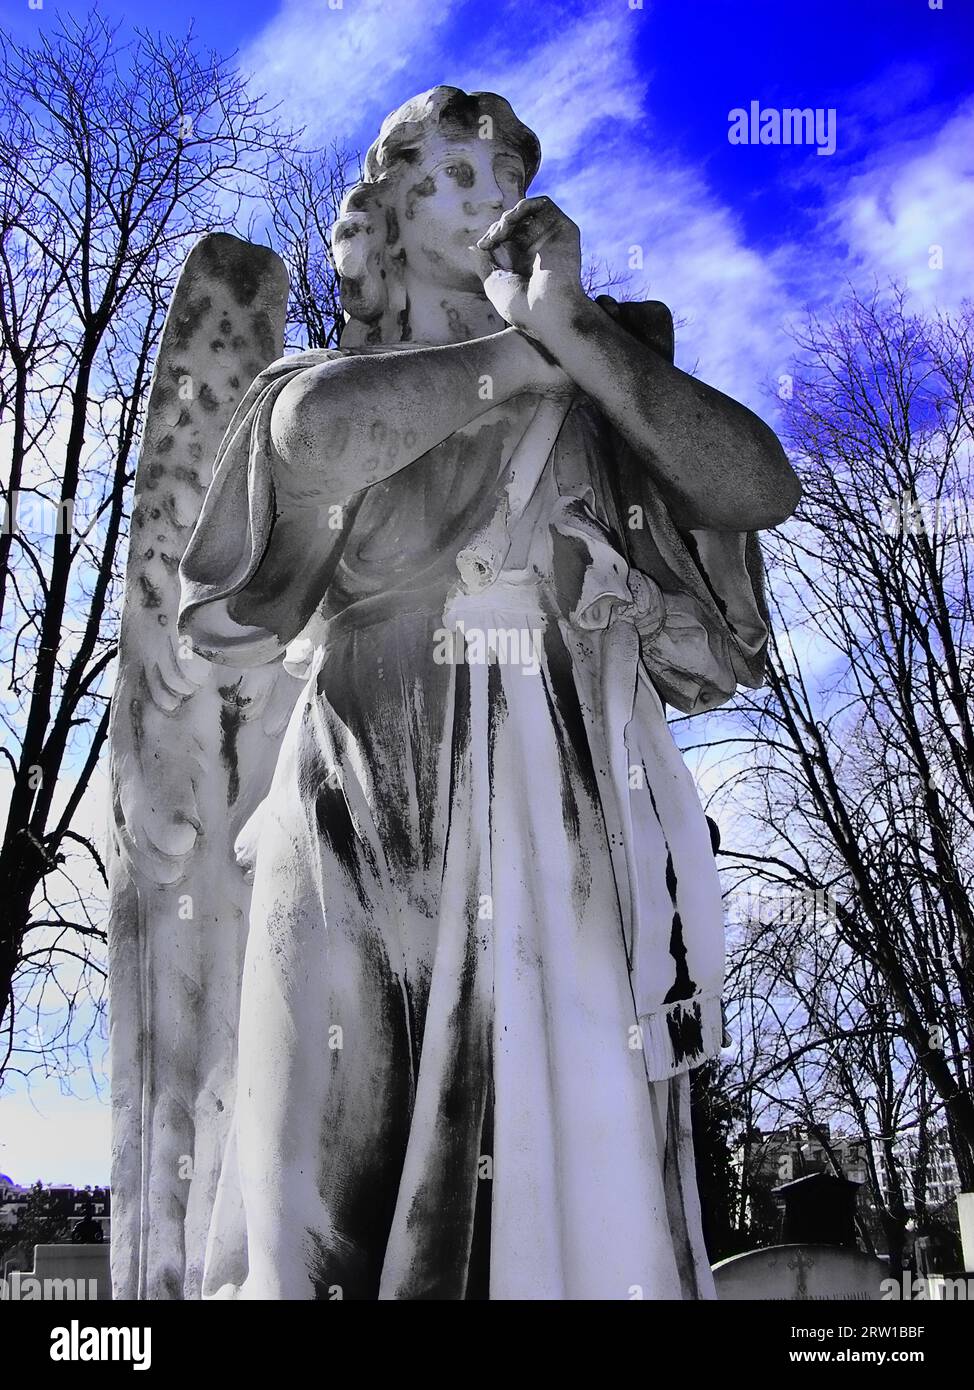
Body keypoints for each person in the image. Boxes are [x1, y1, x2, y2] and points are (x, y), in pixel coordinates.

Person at [178, 86, 800, 1300]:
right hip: (359, 797)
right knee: (316, 1177)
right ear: (387, 208)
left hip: (551, 810)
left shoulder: (603, 389)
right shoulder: (329, 379)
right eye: (450, 174)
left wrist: (582, 337)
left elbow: (758, 485)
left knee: (562, 1182)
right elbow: (317, 443)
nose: (485, 198)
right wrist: (526, 353)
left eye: (501, 175)